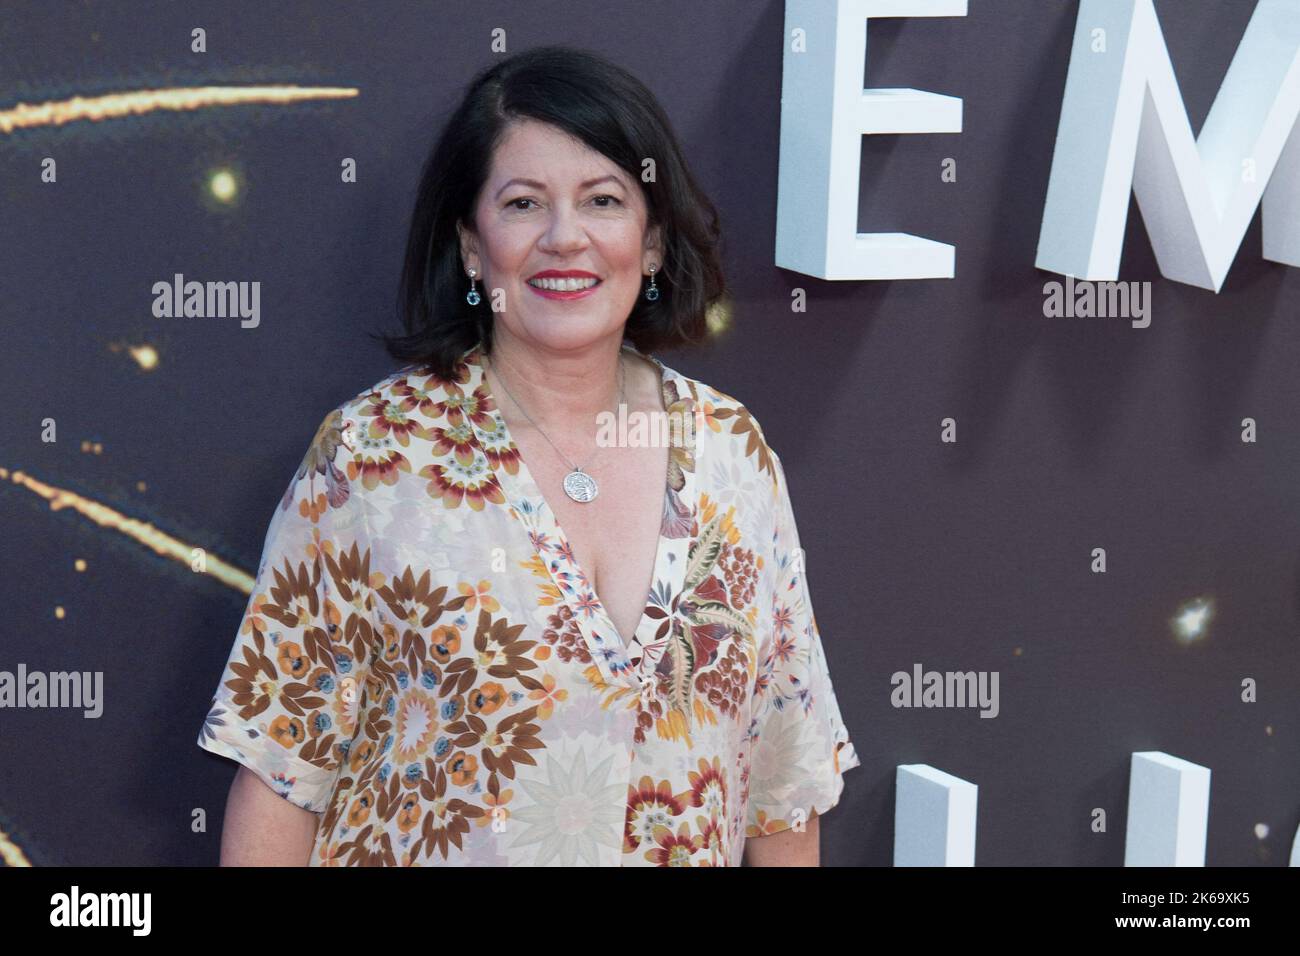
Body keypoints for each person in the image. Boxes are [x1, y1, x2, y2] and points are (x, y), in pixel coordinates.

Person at [196, 44, 860, 867]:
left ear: (652, 243)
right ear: (473, 248)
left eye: (604, 200)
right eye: (522, 204)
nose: (565, 238)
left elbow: (783, 789)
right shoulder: (373, 458)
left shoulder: (734, 456)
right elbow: (279, 776)